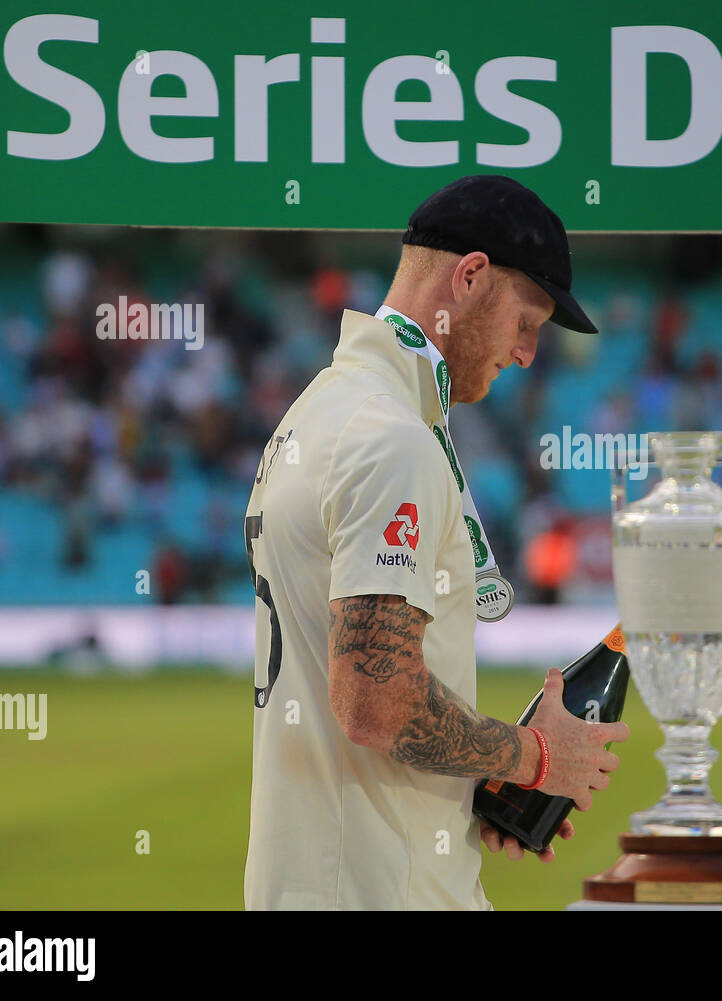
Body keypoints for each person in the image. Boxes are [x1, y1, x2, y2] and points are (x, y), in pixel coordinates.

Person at [243, 175, 629, 910]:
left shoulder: (320, 410)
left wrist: (481, 770)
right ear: (472, 276)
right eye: (526, 320)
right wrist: (535, 755)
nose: (526, 353)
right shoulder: (392, 438)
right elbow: (376, 702)